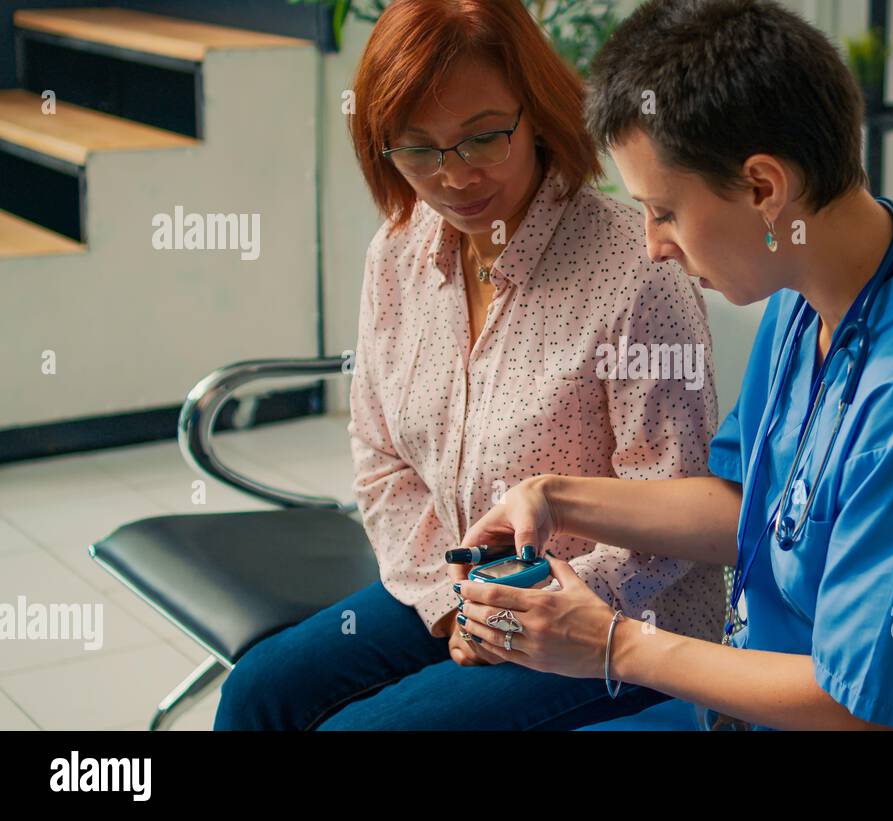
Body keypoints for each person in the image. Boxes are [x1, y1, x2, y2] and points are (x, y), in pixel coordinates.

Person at [456, 0, 893, 731]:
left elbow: (864, 710)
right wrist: (552, 496)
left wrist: (614, 645)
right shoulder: (818, 285)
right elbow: (756, 507)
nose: (653, 246)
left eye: (665, 211)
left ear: (764, 188)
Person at [214, 0, 722, 731]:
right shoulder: (398, 253)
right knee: (259, 692)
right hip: (453, 593)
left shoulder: (633, 270)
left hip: (603, 613)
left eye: (483, 137)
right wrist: (452, 603)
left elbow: (675, 509)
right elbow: (381, 457)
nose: (453, 177)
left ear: (537, 109)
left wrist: (509, 616)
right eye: (417, 149)